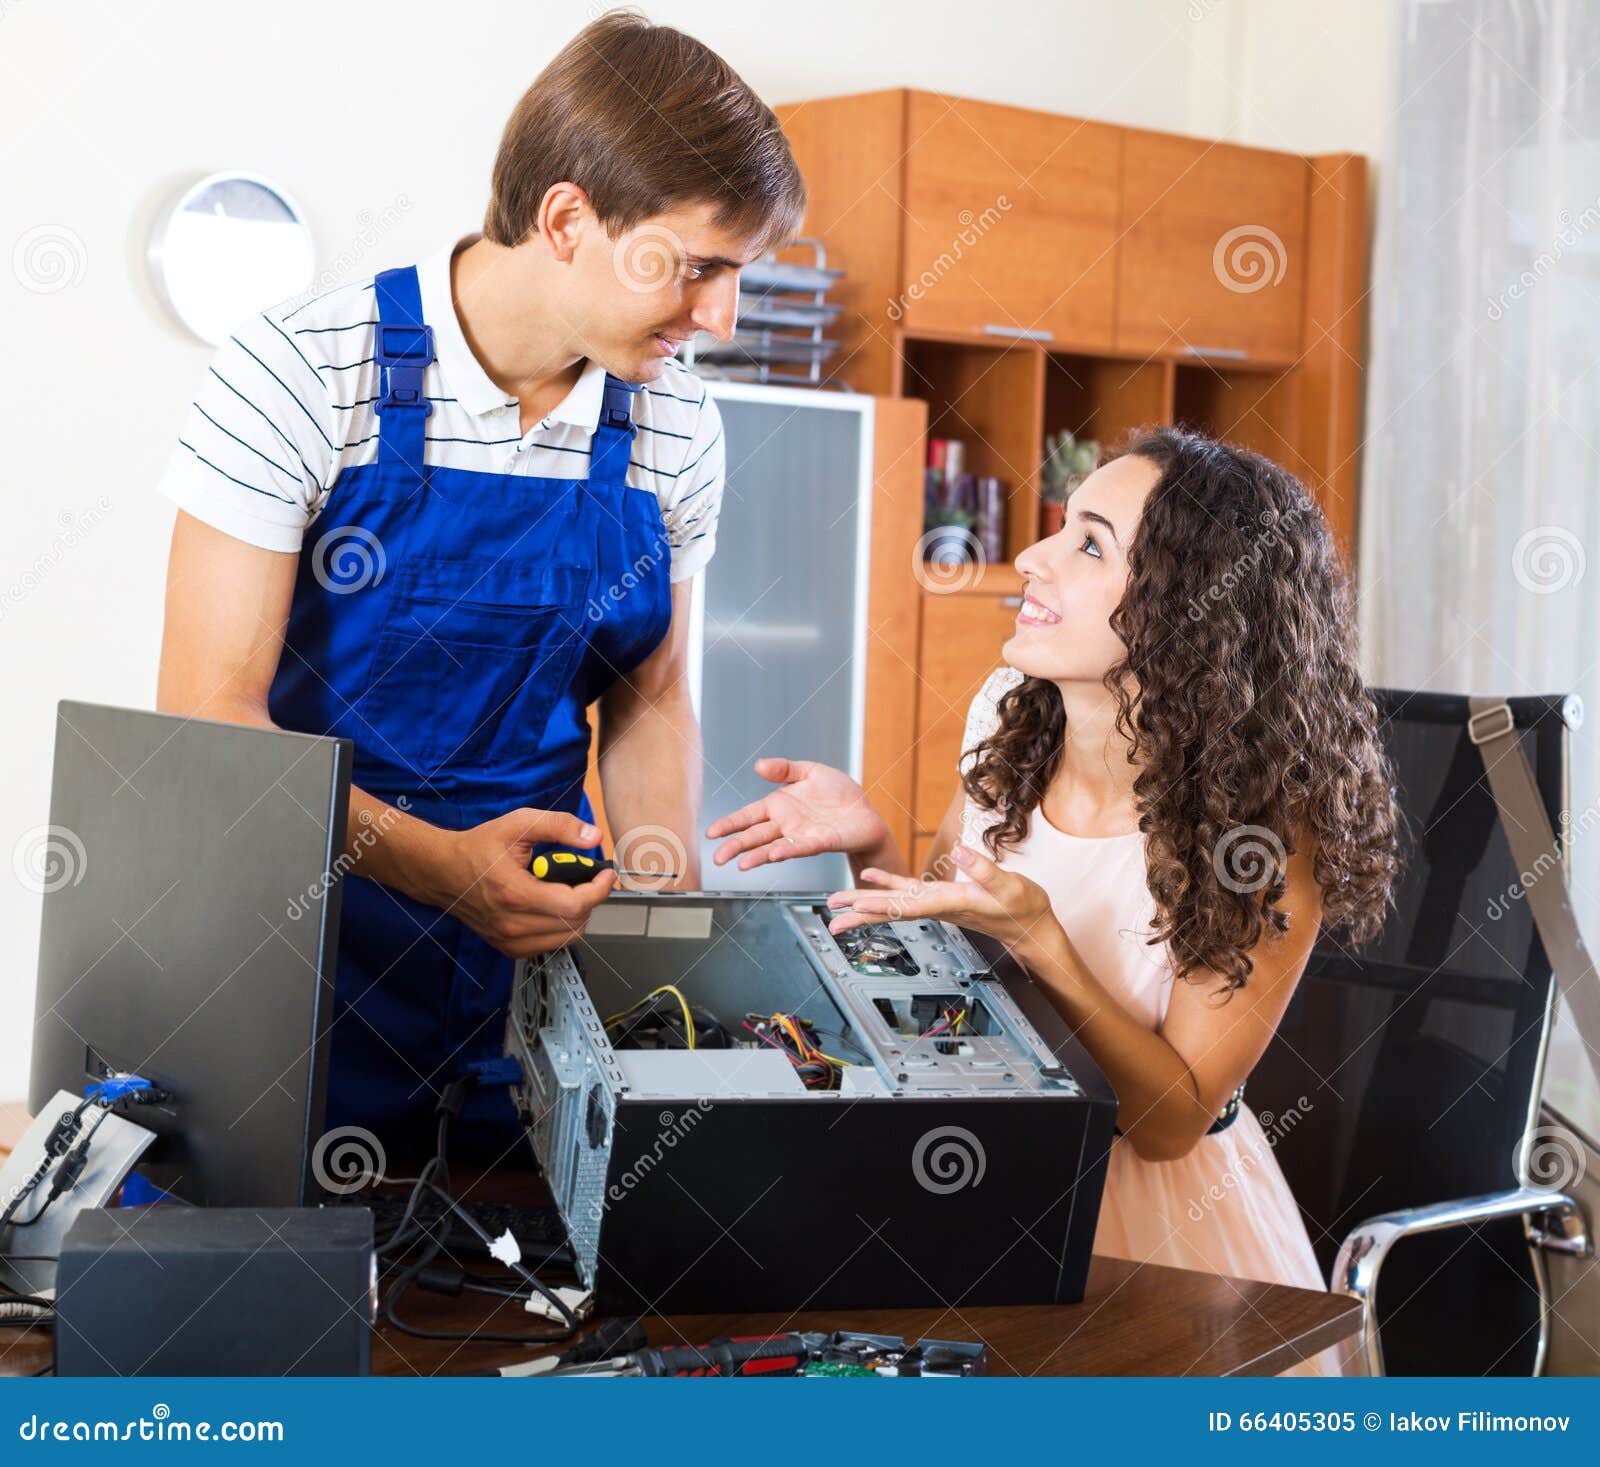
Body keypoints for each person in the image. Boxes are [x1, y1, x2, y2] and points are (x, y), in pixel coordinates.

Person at [154, 13, 804, 1158]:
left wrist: (661, 965)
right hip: (292, 962)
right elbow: (214, 725)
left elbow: (648, 700)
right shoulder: (303, 374)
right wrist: (447, 871)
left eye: (738, 275)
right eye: (698, 266)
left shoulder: (674, 424)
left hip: (533, 971)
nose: (721, 318)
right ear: (566, 218)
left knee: (525, 1298)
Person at [706, 426, 1400, 1374]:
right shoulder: (1008, 709)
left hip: (1157, 1240)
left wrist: (1047, 945)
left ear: (1188, 609)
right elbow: (958, 950)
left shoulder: (1264, 836)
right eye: (1061, 527)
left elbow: (1170, 1122)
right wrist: (871, 844)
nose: (1030, 557)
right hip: (989, 1177)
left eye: (1089, 543)